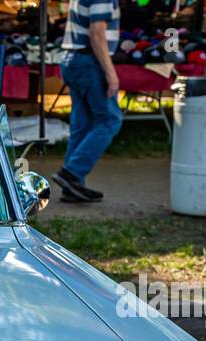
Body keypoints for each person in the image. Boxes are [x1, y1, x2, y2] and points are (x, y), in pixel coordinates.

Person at [54, 0, 121, 203]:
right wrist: (111, 73)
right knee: (110, 119)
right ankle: (72, 173)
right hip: (89, 61)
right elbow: (97, 32)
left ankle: (72, 186)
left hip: (73, 59)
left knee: (82, 125)